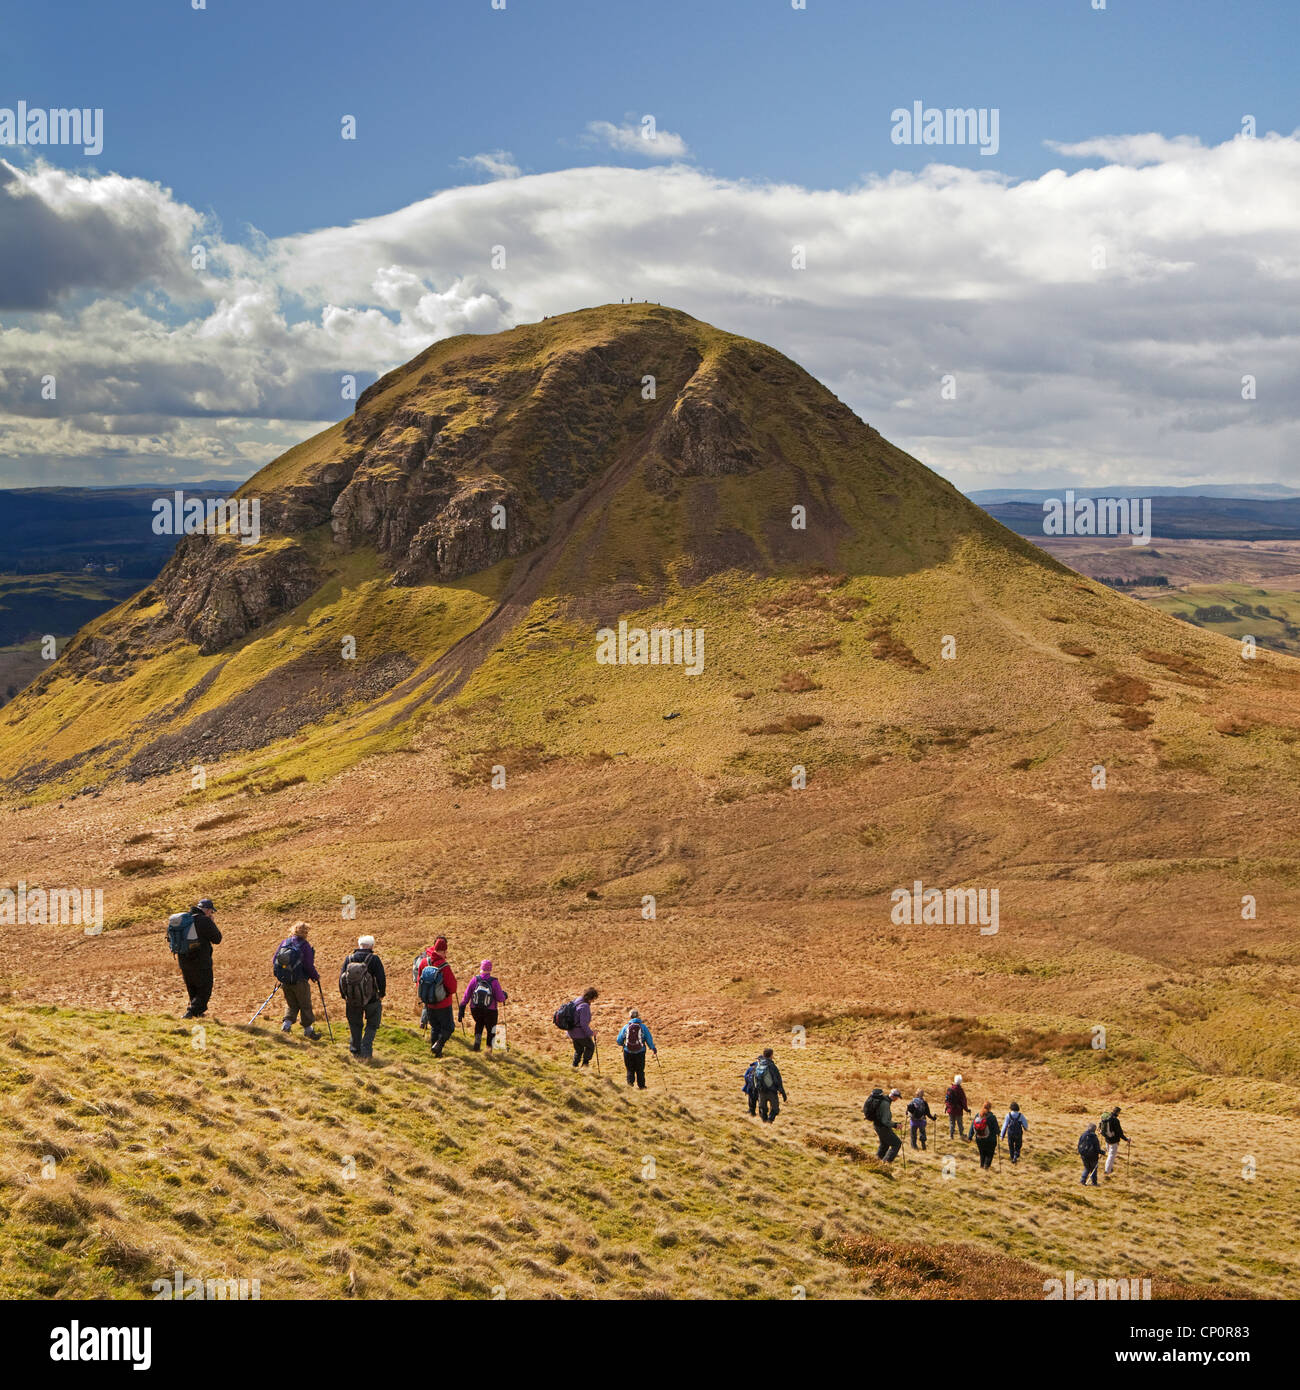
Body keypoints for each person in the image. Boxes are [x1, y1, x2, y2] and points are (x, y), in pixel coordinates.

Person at [272, 920, 321, 1039]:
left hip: (285, 980)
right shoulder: (305, 946)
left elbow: (274, 960)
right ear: (305, 932)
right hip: (300, 981)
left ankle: (286, 1026)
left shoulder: (285, 942)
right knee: (305, 1005)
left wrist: (281, 975)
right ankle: (309, 1031)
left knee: (291, 1004)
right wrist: (315, 976)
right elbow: (308, 965)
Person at [339, 935, 385, 1061]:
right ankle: (366, 1050)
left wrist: (345, 995)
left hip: (352, 999)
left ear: (359, 945)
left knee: (354, 1024)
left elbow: (341, 978)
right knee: (372, 1024)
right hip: (372, 999)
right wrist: (382, 994)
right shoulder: (374, 959)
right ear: (371, 946)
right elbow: (381, 978)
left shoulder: (349, 959)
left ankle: (355, 1051)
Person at [178, 897, 221, 1019]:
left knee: (192, 986)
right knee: (205, 988)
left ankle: (197, 1013)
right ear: (207, 910)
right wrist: (211, 923)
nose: (211, 914)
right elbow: (217, 939)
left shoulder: (184, 919)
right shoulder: (204, 921)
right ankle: (191, 1012)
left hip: (184, 960)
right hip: (200, 961)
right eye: (211, 911)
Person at [416, 936, 457, 1057]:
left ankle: (436, 1053)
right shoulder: (444, 966)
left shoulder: (424, 962)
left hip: (428, 1003)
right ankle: (438, 1044)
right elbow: (452, 987)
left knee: (435, 1027)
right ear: (444, 951)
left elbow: (419, 980)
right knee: (449, 1028)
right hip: (443, 1004)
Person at [458, 959, 507, 1051]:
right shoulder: (494, 982)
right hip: (490, 1010)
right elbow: (500, 998)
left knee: (479, 1024)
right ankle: (489, 1049)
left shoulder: (475, 979)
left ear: (481, 968)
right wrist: (504, 995)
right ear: (490, 969)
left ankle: (477, 1044)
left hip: (475, 1009)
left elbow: (466, 995)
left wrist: (462, 1007)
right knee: (491, 1029)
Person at [615, 1009, 657, 1088]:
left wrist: (623, 1045)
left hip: (628, 1051)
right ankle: (641, 1086)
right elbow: (648, 1039)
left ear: (630, 1017)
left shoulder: (626, 1027)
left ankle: (630, 1086)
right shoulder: (643, 1027)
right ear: (638, 1016)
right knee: (640, 1070)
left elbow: (619, 1040)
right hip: (640, 1052)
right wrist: (653, 1048)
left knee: (630, 1070)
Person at [752, 1048, 787, 1123]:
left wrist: (755, 1089)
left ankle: (764, 1121)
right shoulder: (772, 1066)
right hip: (772, 1090)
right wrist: (782, 1091)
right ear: (771, 1055)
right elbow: (778, 1079)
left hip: (761, 1090)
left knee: (762, 1108)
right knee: (775, 1108)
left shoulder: (759, 1065)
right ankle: (769, 1122)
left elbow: (754, 1078)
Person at [567, 987, 598, 1067]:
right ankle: (585, 1065)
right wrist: (591, 1033)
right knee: (590, 1046)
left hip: (571, 1031)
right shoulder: (585, 1006)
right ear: (590, 998)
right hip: (579, 1033)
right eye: (593, 999)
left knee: (579, 1049)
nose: (593, 1001)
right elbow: (583, 1024)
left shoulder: (577, 1000)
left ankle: (574, 1065)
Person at [870, 1087, 903, 1161]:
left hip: (878, 1125)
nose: (897, 1099)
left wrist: (895, 1124)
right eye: (897, 1097)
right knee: (897, 1143)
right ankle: (886, 1163)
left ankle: (875, 1161)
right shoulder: (885, 1104)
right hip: (882, 1127)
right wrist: (895, 1125)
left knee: (884, 1144)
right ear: (894, 1096)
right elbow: (885, 1121)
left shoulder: (884, 1100)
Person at [1100, 1105, 1127, 1177]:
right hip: (1113, 1141)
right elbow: (1119, 1132)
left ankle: (1109, 1168)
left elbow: (1100, 1125)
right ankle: (1107, 1171)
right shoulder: (1115, 1120)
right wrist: (1126, 1139)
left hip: (1107, 1139)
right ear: (1118, 1112)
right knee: (1111, 1156)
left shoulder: (1106, 1116)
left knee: (1109, 1154)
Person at [972, 1100, 998, 1168]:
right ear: (990, 1108)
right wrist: (999, 1133)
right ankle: (986, 1167)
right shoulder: (992, 1117)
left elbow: (972, 1126)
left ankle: (981, 1166)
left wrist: (970, 1136)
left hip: (979, 1139)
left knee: (982, 1153)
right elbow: (996, 1129)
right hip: (990, 1140)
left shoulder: (978, 1115)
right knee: (989, 1154)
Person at [945, 1073, 971, 1140]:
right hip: (958, 1110)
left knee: (951, 1122)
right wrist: (966, 1109)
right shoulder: (960, 1090)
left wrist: (947, 1107)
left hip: (950, 1109)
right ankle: (961, 1134)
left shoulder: (950, 1089)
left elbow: (947, 1100)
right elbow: (963, 1101)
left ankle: (951, 1135)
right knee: (959, 1123)